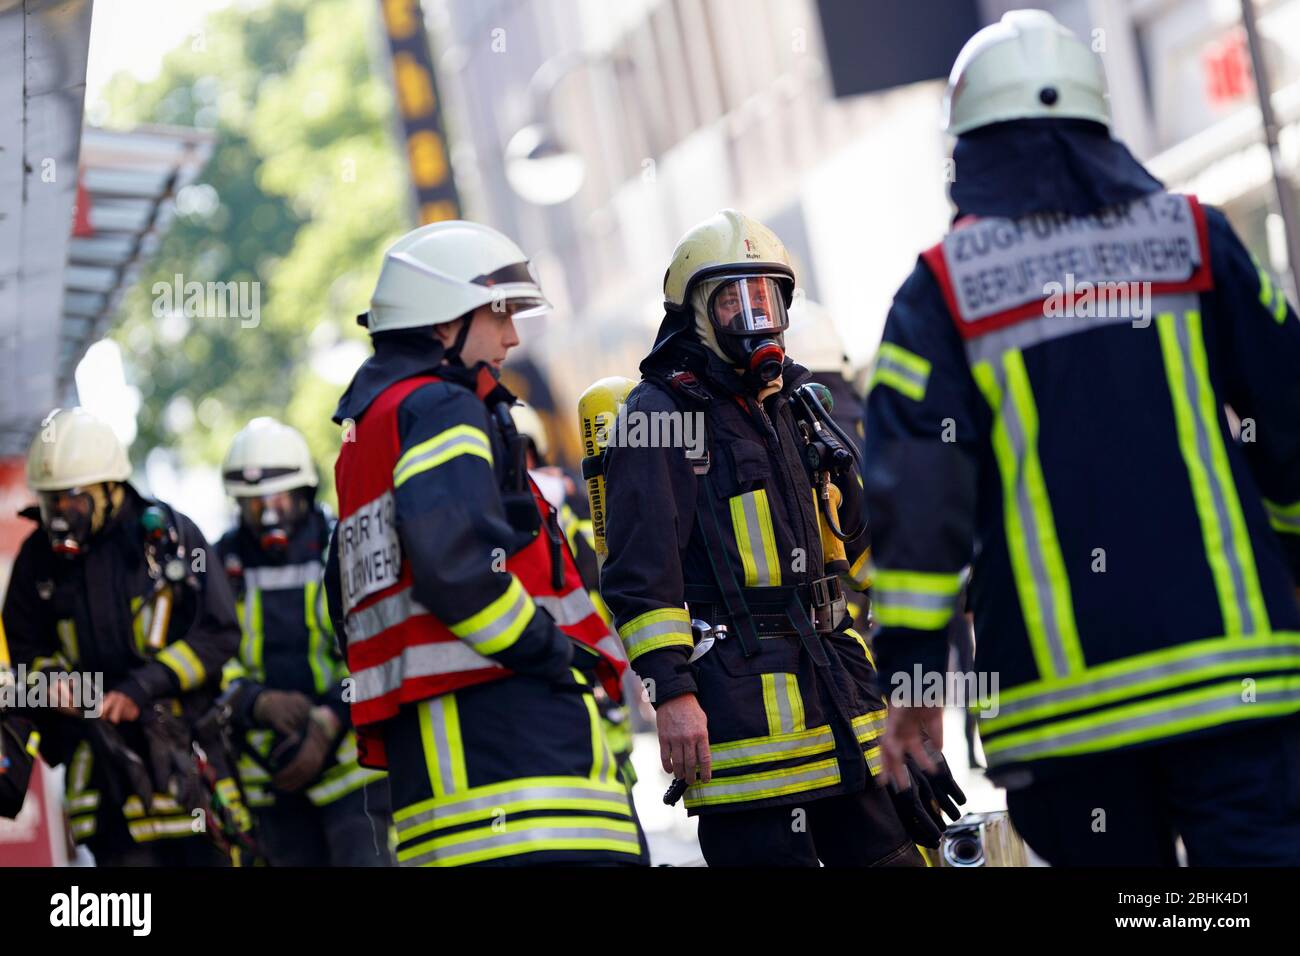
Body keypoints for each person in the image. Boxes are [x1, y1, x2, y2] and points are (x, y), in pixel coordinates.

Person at [865, 9, 1300, 866]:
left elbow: (917, 513)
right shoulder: (1193, 239)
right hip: (1235, 684)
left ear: (971, 151)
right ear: (1100, 126)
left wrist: (915, 684)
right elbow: (1287, 420)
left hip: (1064, 716)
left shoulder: (943, 292)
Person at [600, 209, 963, 866]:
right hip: (745, 722)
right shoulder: (658, 415)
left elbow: (864, 552)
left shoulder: (795, 403)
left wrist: (913, 680)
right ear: (696, 315)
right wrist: (674, 693)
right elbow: (640, 572)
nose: (755, 316)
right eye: (733, 301)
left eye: (766, 296)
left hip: (842, 701)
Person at [323, 220, 646, 867]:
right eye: (498, 314)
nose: (513, 336)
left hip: (433, 788)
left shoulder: (367, 436)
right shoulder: (442, 407)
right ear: (442, 325)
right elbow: (458, 571)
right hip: (519, 762)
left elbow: (348, 597)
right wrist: (556, 653)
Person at [2, 408, 243, 865]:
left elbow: (219, 632)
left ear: (112, 489)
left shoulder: (169, 537)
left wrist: (142, 687)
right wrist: (53, 684)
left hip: (182, 761)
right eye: (51, 501)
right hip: (101, 773)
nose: (59, 515)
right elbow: (23, 653)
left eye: (73, 499)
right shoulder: (37, 561)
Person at [216, 416, 392, 865]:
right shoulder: (221, 563)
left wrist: (330, 718)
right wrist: (252, 701)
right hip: (269, 771)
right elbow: (209, 651)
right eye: (254, 504)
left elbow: (377, 646)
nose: (267, 513)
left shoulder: (345, 548)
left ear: (304, 492)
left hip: (352, 770)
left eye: (277, 498)